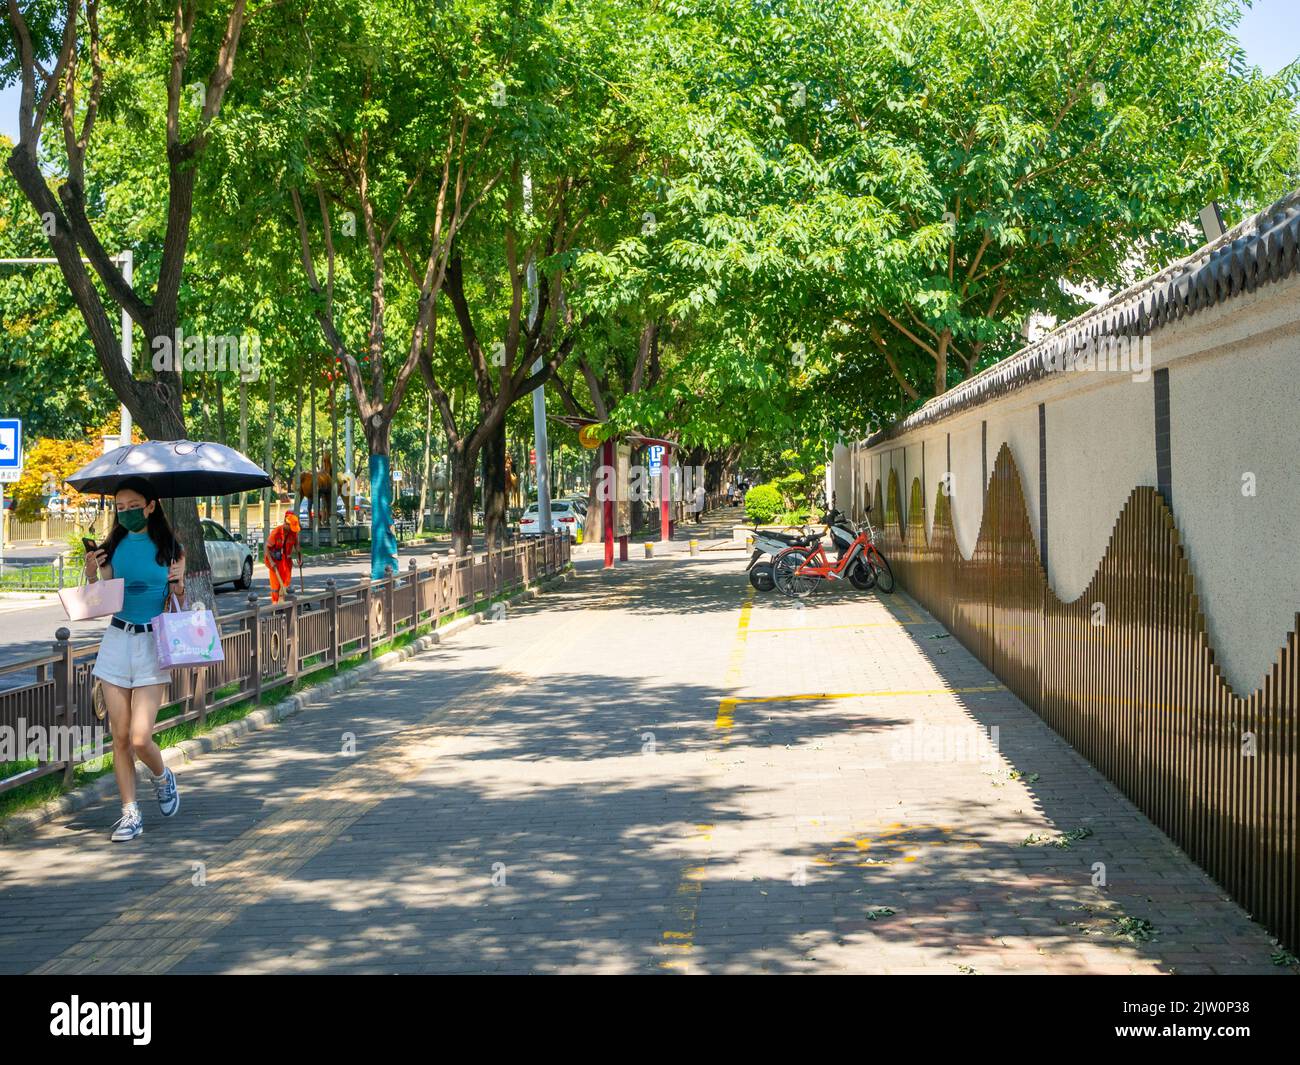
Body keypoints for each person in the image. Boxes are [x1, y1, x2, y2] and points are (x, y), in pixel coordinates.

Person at [84, 476, 185, 843]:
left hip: (152, 645)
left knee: (142, 738)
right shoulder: (113, 548)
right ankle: (129, 812)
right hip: (116, 641)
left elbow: (180, 606)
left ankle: (162, 777)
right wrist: (93, 572)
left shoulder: (171, 549)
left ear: (151, 505)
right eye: (119, 507)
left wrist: (179, 585)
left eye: (132, 505)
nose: (125, 513)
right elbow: (101, 601)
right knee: (121, 736)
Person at [265, 511, 301, 604]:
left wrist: (300, 557)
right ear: (286, 523)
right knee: (276, 585)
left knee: (285, 583)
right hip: (275, 561)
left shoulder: (293, 533)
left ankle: (282, 602)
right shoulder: (276, 532)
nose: (292, 530)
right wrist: (271, 562)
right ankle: (275, 604)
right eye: (291, 527)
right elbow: (266, 548)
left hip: (286, 561)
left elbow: (297, 545)